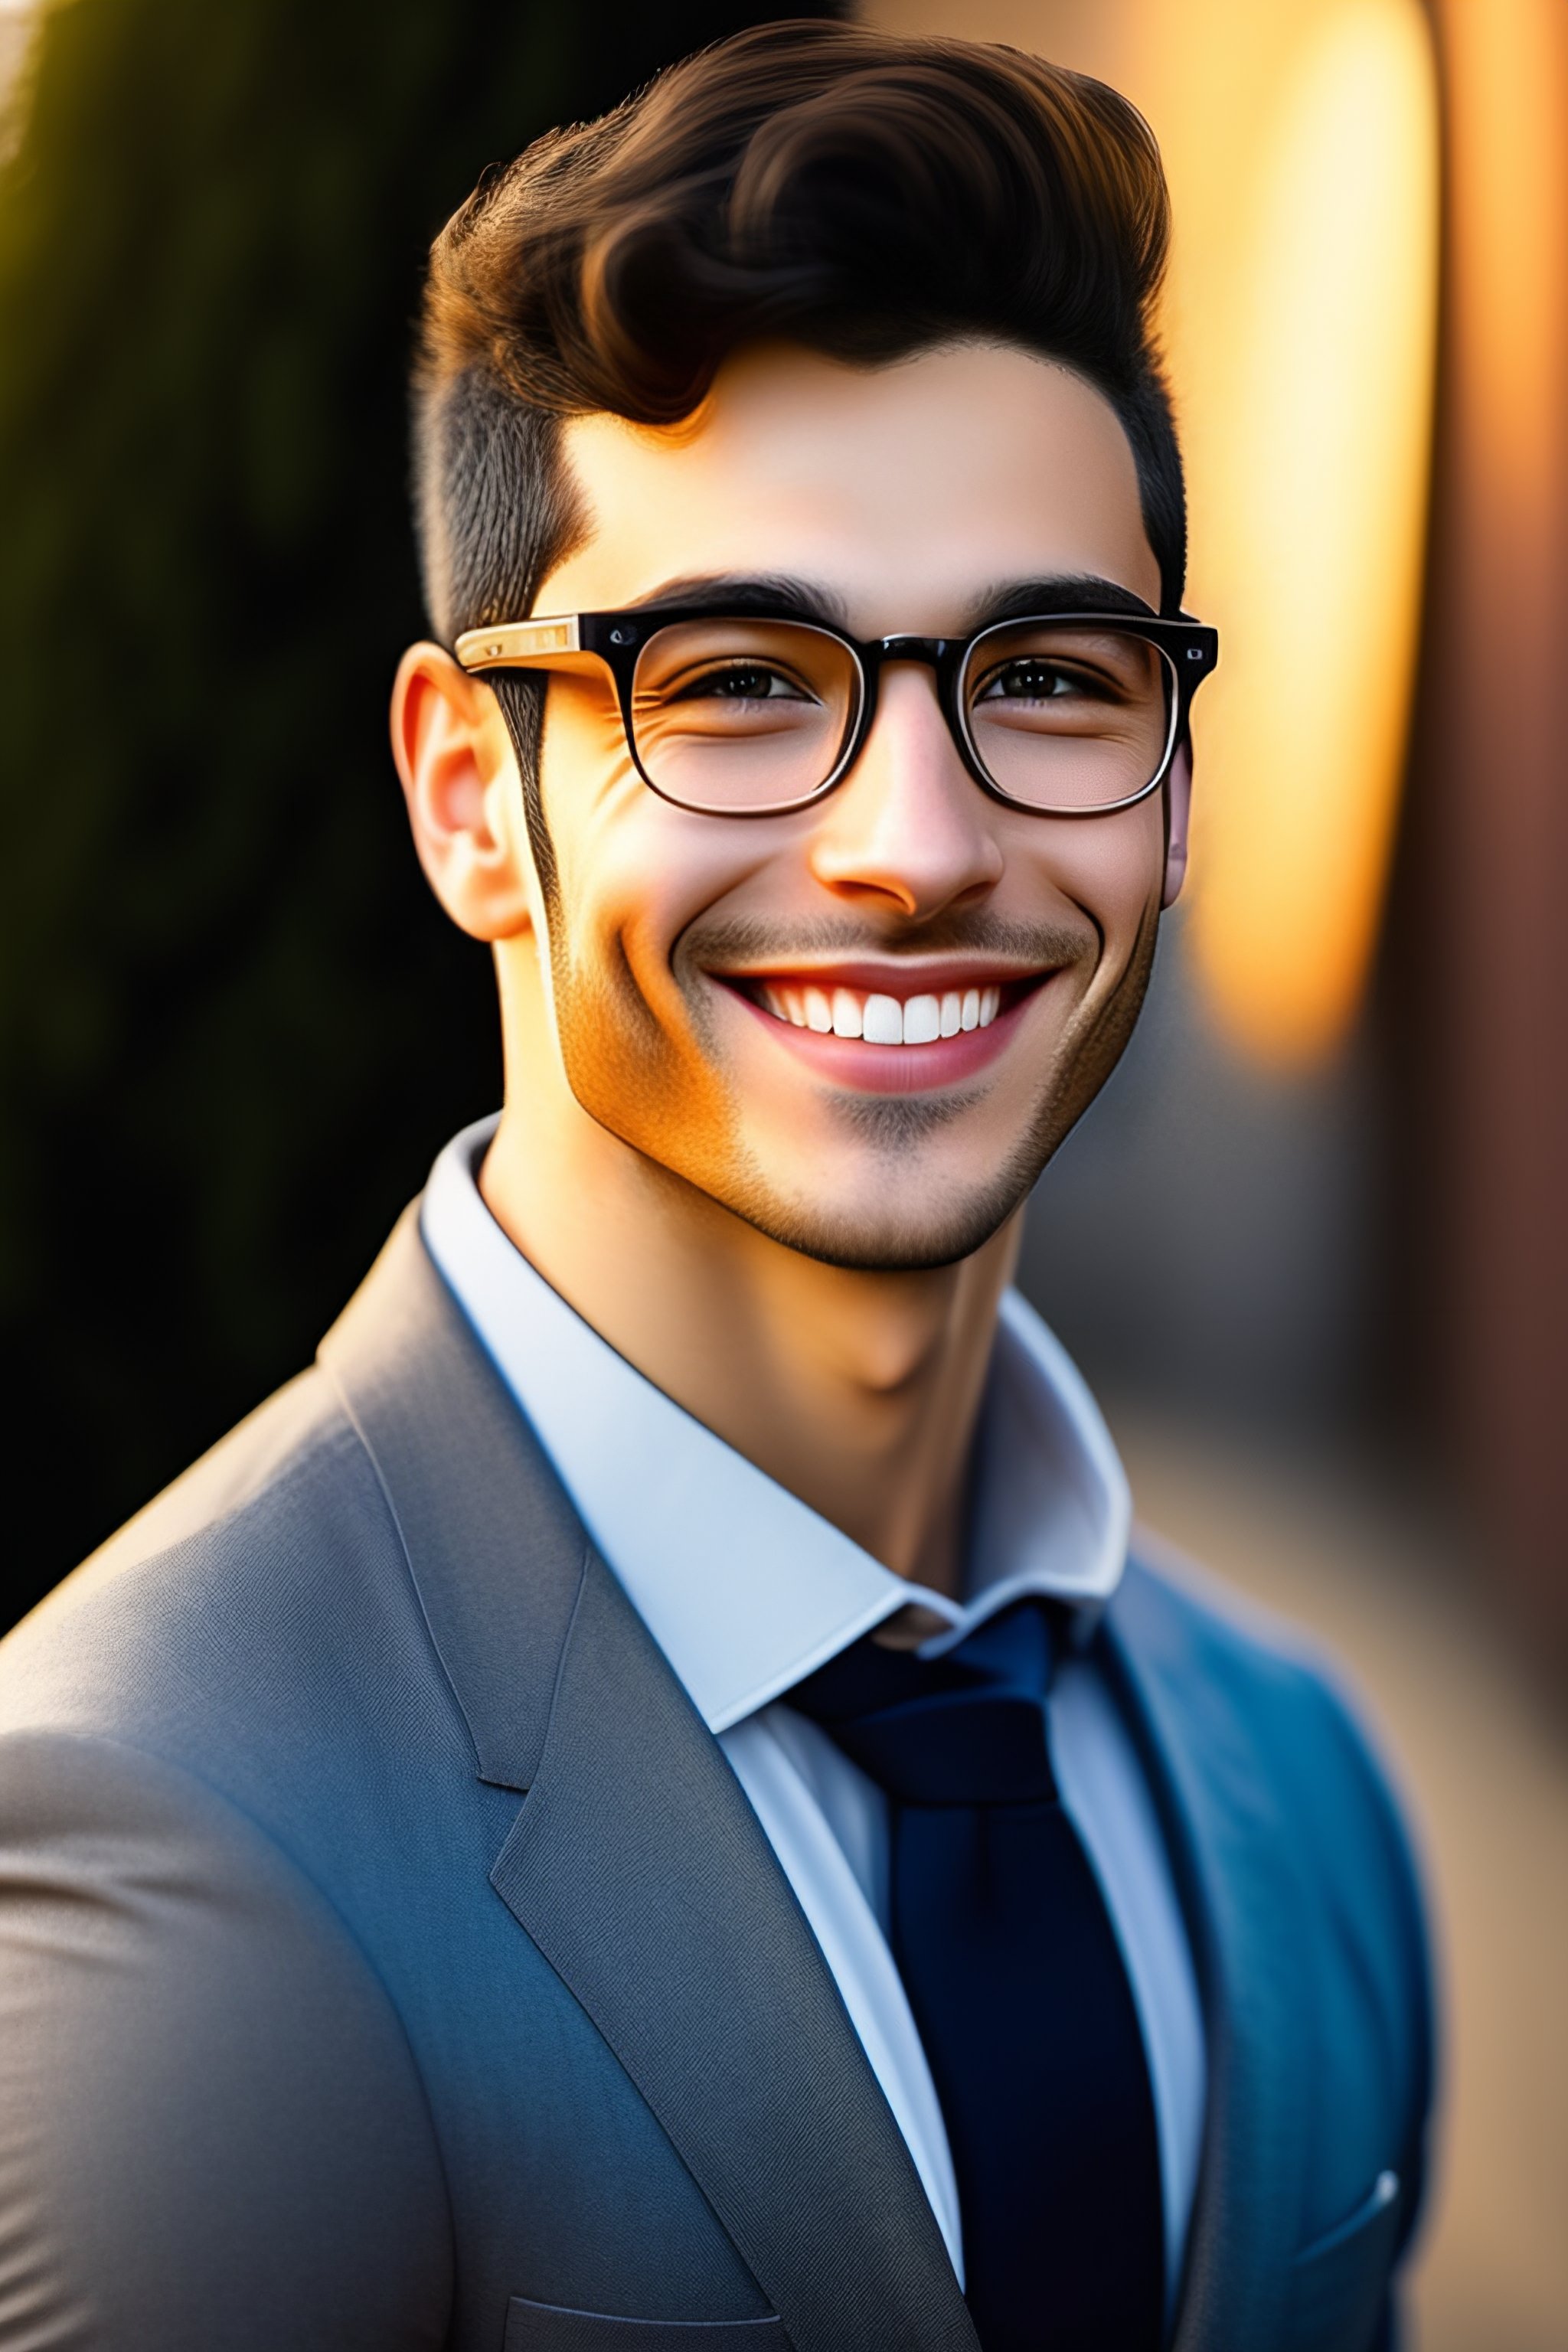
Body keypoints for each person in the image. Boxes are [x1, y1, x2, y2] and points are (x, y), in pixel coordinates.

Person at [0, 23, 1432, 2350]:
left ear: (1172, 788)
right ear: (476, 798)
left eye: (1051, 674)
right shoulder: (165, 1859)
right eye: (744, 677)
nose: (919, 846)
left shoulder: (1310, 1785)